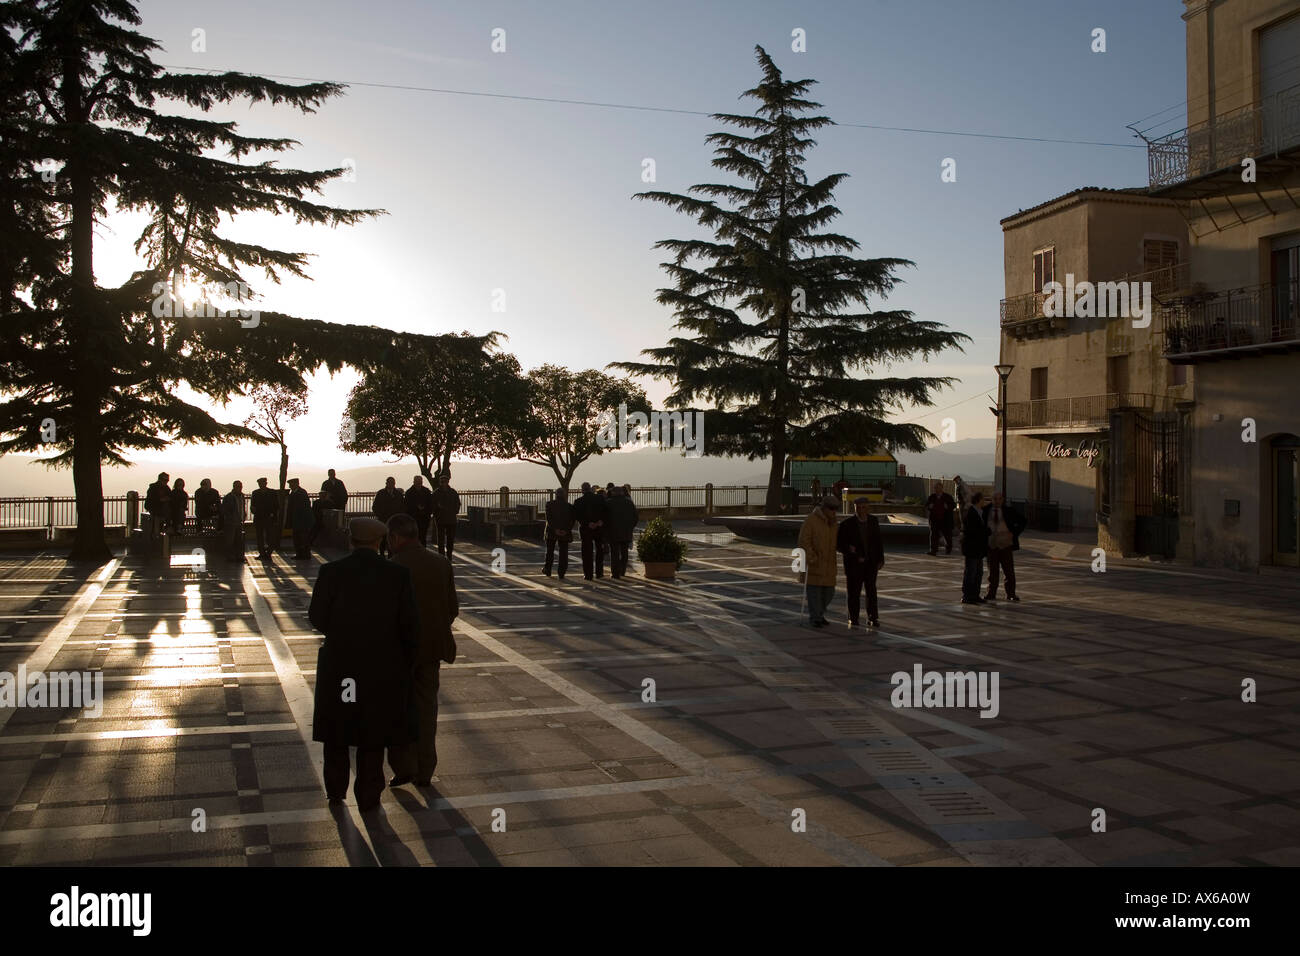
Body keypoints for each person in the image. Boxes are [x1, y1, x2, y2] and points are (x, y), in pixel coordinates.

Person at [309, 516, 418, 812]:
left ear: (351, 541)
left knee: (338, 729)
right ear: (380, 541)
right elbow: (409, 624)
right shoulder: (397, 575)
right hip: (380, 666)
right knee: (372, 731)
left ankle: (335, 789)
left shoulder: (331, 572)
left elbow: (317, 617)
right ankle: (369, 795)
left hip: (341, 665)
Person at [384, 513, 458, 788]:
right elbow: (452, 609)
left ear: (394, 537)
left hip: (400, 653)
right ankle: (426, 769)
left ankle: (404, 766)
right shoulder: (441, 563)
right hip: (431, 650)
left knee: (399, 711)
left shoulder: (392, 567)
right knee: (427, 711)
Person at [837, 497, 885, 628]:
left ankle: (873, 617)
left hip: (870, 564)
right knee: (854, 592)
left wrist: (881, 559)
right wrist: (849, 550)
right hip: (854, 565)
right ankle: (853, 618)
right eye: (858, 507)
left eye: (864, 507)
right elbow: (839, 544)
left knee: (871, 592)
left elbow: (878, 542)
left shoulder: (873, 521)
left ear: (868, 508)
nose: (861, 510)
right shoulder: (847, 524)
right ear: (855, 508)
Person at [797, 495, 840, 628]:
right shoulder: (811, 520)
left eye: (836, 509)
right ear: (824, 508)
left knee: (828, 593)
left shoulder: (833, 523)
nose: (834, 512)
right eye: (832, 509)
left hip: (829, 565)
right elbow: (804, 541)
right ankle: (815, 617)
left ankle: (819, 614)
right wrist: (812, 557)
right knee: (814, 593)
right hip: (814, 564)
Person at [983, 492, 1026, 602]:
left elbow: (1023, 521)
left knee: (1009, 570)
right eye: (995, 499)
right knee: (992, 571)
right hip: (992, 545)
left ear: (1002, 500)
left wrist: (1014, 533)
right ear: (991, 499)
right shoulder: (985, 510)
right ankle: (991, 593)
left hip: (1006, 545)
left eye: (999, 499)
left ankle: (1011, 594)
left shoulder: (1008, 511)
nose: (997, 501)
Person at [572, 481, 608, 580]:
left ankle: (588, 574)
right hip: (599, 528)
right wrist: (600, 521)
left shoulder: (578, 501)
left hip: (586, 529)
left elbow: (577, 515)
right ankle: (599, 573)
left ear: (582, 490)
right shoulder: (600, 498)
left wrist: (588, 523)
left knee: (587, 552)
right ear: (590, 488)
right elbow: (606, 511)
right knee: (599, 551)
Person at [604, 485, 639, 579]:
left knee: (614, 553)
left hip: (613, 532)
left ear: (613, 493)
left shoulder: (608, 503)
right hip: (626, 531)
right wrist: (630, 527)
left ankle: (615, 573)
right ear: (622, 493)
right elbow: (635, 517)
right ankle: (622, 570)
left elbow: (604, 519)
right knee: (624, 553)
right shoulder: (629, 503)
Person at [961, 491, 988, 604]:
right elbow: (973, 531)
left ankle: (975, 595)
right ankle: (967, 596)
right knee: (970, 573)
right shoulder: (971, 513)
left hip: (978, 549)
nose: (984, 501)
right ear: (978, 500)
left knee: (978, 573)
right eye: (983, 499)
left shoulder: (980, 512)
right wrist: (987, 531)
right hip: (972, 548)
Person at [543, 488, 576, 578]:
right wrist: (566, 530)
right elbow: (572, 520)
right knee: (563, 553)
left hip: (552, 531)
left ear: (555, 494)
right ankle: (561, 572)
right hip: (565, 532)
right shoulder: (569, 506)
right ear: (565, 495)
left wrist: (555, 529)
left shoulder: (549, 504)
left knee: (550, 551)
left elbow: (549, 519)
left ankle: (548, 569)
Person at [372, 476, 406, 558]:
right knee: (383, 538)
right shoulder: (381, 493)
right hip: (383, 519)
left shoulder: (398, 494)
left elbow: (403, 506)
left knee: (393, 538)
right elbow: (375, 507)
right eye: (390, 483)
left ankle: (391, 555)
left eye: (393, 483)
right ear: (386, 483)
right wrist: (380, 515)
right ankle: (382, 554)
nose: (392, 484)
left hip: (394, 520)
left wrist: (399, 516)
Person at [431, 472, 461, 561]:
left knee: (450, 539)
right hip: (440, 519)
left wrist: (455, 511)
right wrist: (437, 512)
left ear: (448, 482)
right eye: (442, 481)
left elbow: (457, 503)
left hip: (451, 519)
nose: (443, 483)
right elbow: (433, 505)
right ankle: (441, 556)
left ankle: (449, 555)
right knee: (440, 539)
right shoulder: (436, 493)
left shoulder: (453, 492)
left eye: (445, 481)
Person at [250, 477, 279, 560]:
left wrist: (273, 516)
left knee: (270, 537)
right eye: (260, 484)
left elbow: (276, 506)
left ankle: (268, 553)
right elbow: (253, 505)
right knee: (259, 537)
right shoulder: (255, 493)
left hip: (269, 518)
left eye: (262, 483)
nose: (261, 485)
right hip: (259, 518)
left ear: (266, 483)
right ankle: (262, 553)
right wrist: (253, 510)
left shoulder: (272, 492)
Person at [925, 481, 956, 555]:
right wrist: (929, 506)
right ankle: (933, 550)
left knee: (947, 535)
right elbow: (926, 505)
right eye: (935, 488)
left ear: (942, 488)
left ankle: (948, 549)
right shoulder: (932, 497)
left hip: (945, 520)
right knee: (934, 535)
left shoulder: (948, 497)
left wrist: (947, 507)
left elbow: (953, 505)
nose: (936, 490)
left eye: (938, 488)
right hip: (935, 520)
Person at [144, 472, 172, 552]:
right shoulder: (153, 487)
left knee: (161, 515)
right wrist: (161, 500)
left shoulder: (166, 488)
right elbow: (151, 500)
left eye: (167, 480)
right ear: (160, 479)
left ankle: (161, 534)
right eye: (164, 480)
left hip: (162, 510)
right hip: (155, 509)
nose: (166, 482)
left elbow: (170, 497)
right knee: (157, 519)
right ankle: (157, 538)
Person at [404, 475, 434, 548]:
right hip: (413, 518)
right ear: (414, 482)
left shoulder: (426, 491)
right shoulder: (409, 492)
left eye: (419, 481)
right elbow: (406, 506)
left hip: (424, 518)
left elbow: (431, 504)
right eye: (417, 481)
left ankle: (423, 552)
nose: (418, 483)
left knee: (423, 537)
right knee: (414, 537)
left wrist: (426, 511)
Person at [287, 478, 313, 559]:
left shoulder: (301, 493)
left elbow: (304, 507)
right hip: (296, 520)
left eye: (291, 484)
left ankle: (305, 554)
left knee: (303, 538)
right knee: (297, 538)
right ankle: (299, 554)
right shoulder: (293, 493)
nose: (290, 486)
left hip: (302, 520)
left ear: (296, 484)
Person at [221, 480, 246, 563]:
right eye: (238, 486)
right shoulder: (229, 497)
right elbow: (225, 509)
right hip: (231, 522)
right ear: (234, 487)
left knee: (239, 540)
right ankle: (230, 556)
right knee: (230, 540)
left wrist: (243, 516)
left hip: (239, 522)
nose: (240, 488)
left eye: (241, 486)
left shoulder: (242, 496)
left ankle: (239, 556)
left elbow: (242, 507)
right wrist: (230, 517)